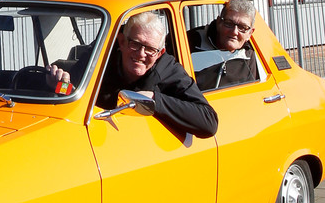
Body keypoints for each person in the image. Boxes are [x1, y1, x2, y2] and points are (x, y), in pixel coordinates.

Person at [49, 10, 217, 138]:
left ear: (160, 53)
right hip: (94, 137)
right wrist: (59, 85)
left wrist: (155, 100)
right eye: (135, 44)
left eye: (150, 49)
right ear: (121, 42)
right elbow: (73, 94)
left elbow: (209, 122)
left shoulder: (168, 71)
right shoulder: (99, 58)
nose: (141, 54)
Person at [187, 0, 258, 91]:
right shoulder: (190, 41)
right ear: (219, 22)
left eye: (243, 27)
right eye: (229, 23)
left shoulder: (254, 54)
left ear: (250, 33)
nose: (234, 32)